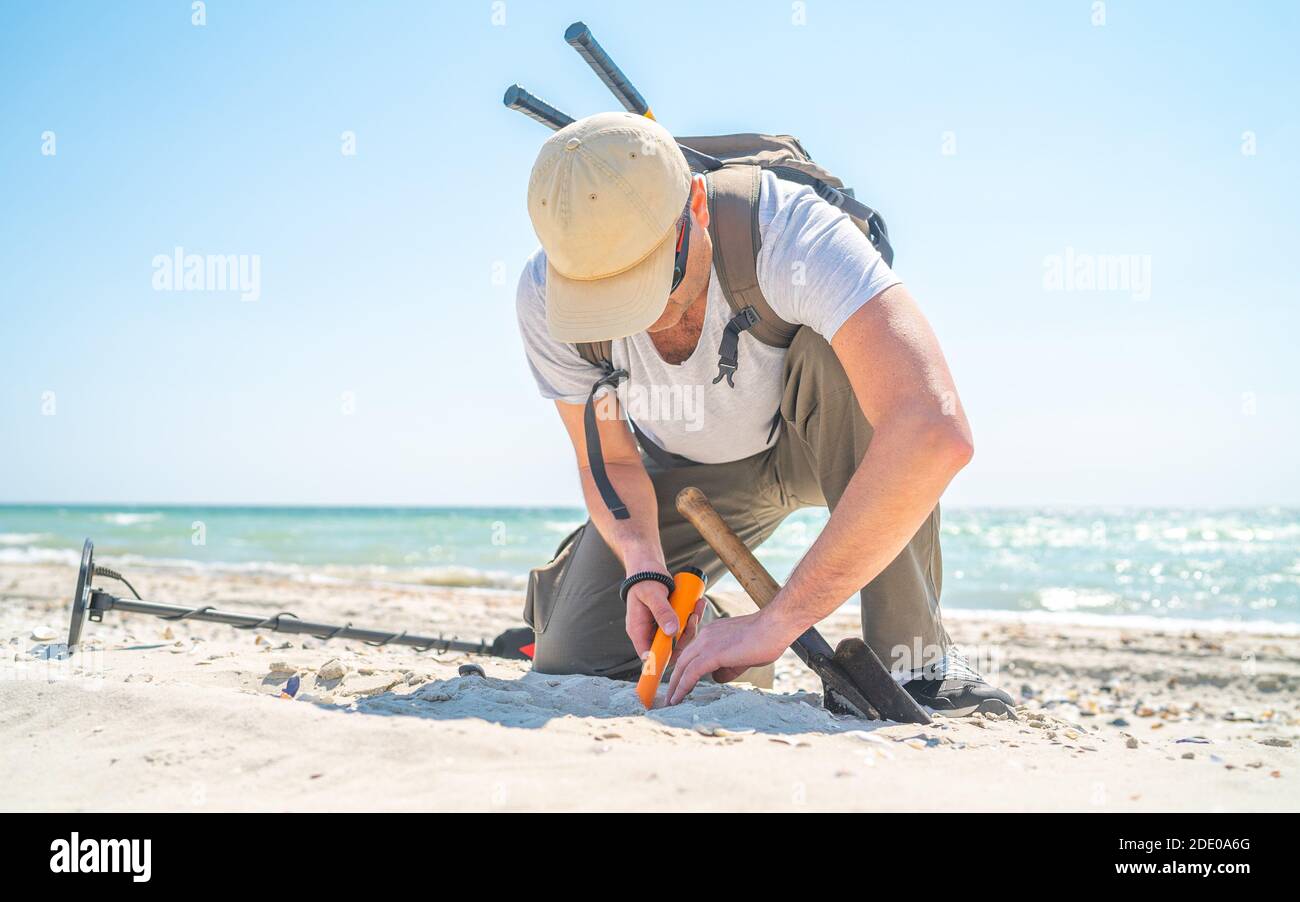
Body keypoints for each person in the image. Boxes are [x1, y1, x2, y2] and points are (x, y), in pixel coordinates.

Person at [515, 112, 1012, 715]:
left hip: (820, 443)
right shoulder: (545, 297)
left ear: (694, 207)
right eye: (608, 302)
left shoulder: (789, 232)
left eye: (652, 284)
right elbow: (612, 458)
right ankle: (711, 629)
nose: (641, 322)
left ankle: (918, 663)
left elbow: (931, 432)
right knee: (574, 657)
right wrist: (644, 570)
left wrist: (777, 620)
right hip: (692, 472)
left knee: (849, 365)